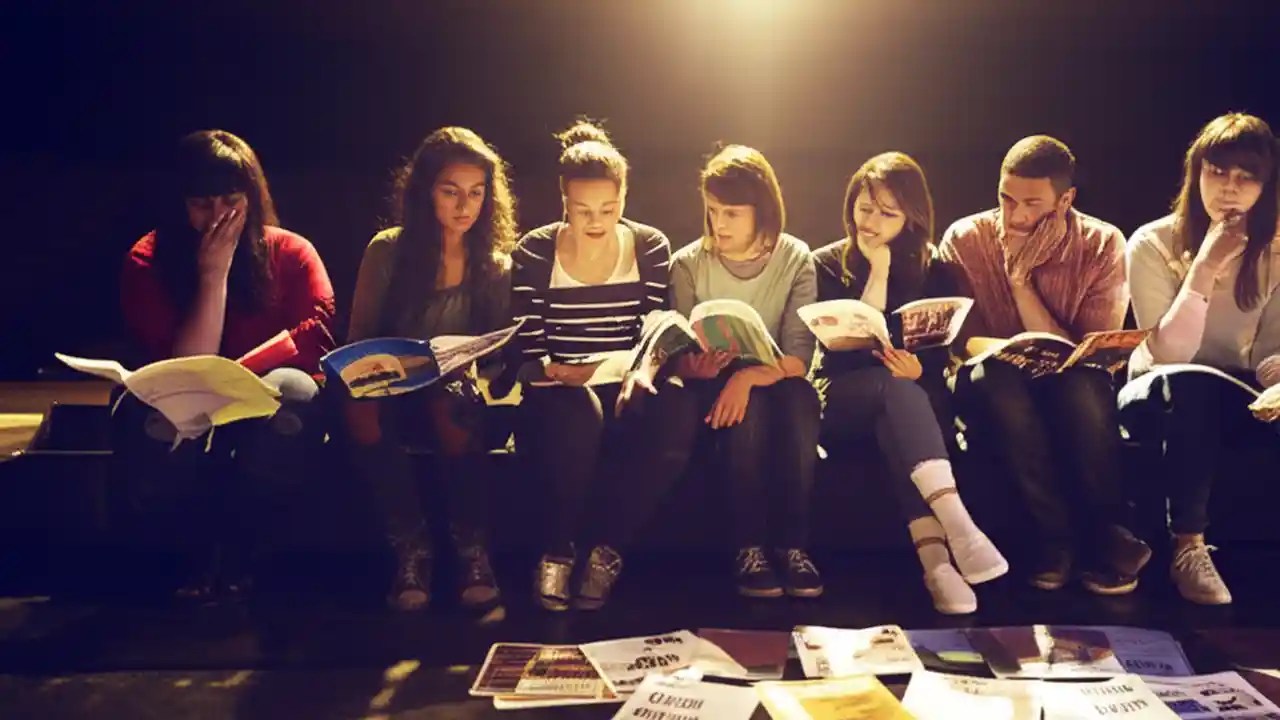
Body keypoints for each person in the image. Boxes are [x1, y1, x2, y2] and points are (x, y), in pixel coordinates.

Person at [115, 129, 336, 600]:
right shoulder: (148, 257)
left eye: (231, 202)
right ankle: (190, 553)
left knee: (295, 394)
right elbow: (183, 365)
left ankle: (246, 548)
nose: (217, 218)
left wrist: (238, 372)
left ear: (252, 200)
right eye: (201, 204)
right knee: (149, 418)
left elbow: (313, 335)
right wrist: (212, 276)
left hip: (264, 398)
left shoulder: (291, 253)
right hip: (187, 399)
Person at [494, 120, 696, 611]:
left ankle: (607, 551)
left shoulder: (649, 246)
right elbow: (533, 354)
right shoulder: (537, 250)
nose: (596, 220)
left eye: (608, 208)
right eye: (582, 210)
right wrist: (579, 374)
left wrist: (599, 370)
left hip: (627, 384)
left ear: (624, 198)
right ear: (563, 201)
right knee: (578, 408)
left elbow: (654, 335)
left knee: (678, 408)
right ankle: (557, 550)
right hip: (557, 399)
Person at [939, 135, 1151, 595]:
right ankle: (1060, 539)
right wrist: (1011, 349)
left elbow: (1091, 349)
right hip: (988, 376)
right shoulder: (966, 238)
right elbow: (960, 340)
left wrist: (1021, 283)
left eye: (1032, 204)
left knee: (1078, 387)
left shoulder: (1101, 242)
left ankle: (1105, 533)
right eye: (1005, 198)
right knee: (999, 380)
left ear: (1066, 199)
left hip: (1069, 378)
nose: (1015, 215)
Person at [812, 152, 1007, 614]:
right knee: (892, 393)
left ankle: (938, 568)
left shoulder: (938, 271)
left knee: (899, 406)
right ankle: (959, 527)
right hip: (841, 397)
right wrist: (876, 272)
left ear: (912, 217)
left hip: (909, 397)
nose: (871, 222)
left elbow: (943, 359)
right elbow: (845, 356)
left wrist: (919, 369)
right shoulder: (825, 263)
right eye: (865, 208)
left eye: (887, 213)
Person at [340, 127, 516, 612]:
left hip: (456, 384)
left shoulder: (495, 263)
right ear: (425, 193)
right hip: (390, 380)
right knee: (358, 405)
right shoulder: (388, 250)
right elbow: (359, 339)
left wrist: (477, 362)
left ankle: (471, 553)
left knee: (453, 402)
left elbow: (498, 352)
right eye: (451, 192)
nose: (466, 205)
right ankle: (411, 550)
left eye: (477, 192)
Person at [1119, 113, 1280, 605]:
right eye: (1217, 173)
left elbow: (1270, 351)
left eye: (1246, 177)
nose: (1229, 189)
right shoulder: (1152, 242)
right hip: (1159, 391)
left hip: (1238, 391)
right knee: (1191, 383)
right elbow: (1169, 353)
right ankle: (1188, 546)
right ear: (1197, 174)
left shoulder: (1275, 248)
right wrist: (1206, 266)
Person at [668, 144, 823, 599]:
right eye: (713, 211)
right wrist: (694, 366)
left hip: (776, 379)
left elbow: (798, 356)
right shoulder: (689, 263)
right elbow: (676, 352)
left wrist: (748, 374)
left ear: (762, 212)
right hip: (714, 388)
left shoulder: (795, 259)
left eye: (732, 213)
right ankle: (748, 548)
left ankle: (794, 546)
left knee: (799, 399)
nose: (719, 224)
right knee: (749, 408)